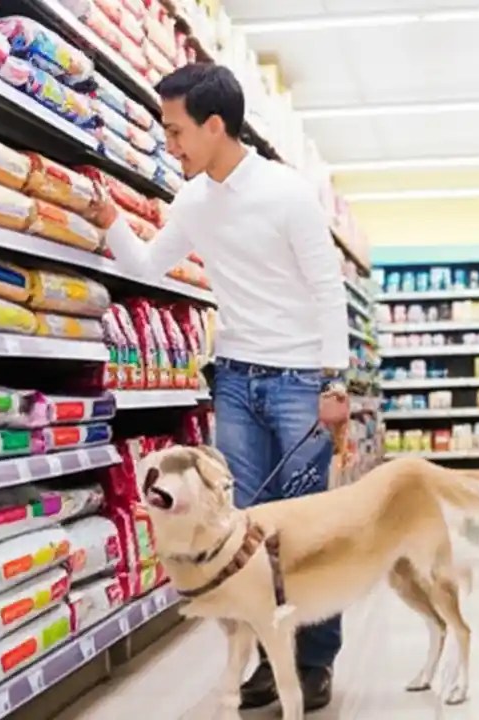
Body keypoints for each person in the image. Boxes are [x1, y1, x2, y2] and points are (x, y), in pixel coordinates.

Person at [103, 63, 350, 712]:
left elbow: (328, 291)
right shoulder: (192, 201)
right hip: (236, 380)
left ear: (215, 125)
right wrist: (107, 218)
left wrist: (335, 381)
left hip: (300, 382)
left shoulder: (287, 193)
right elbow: (147, 264)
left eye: (176, 129)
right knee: (242, 533)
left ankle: (315, 661)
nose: (170, 143)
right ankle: (268, 661)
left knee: (304, 532)